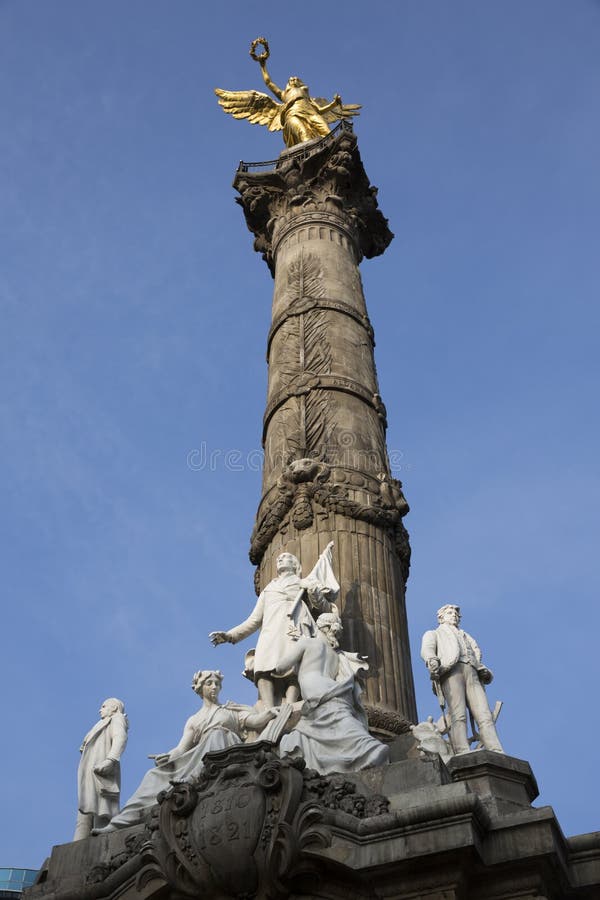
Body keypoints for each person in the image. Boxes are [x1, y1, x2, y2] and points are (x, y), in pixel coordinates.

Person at [93, 671, 275, 833]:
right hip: (201, 756)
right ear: (200, 688)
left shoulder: (231, 711)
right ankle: (119, 823)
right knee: (153, 776)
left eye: (217, 684)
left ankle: (193, 778)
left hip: (228, 754)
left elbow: (256, 721)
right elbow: (182, 748)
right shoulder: (194, 720)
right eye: (209, 683)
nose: (214, 687)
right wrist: (168, 756)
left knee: (217, 734)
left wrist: (271, 712)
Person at [210, 543, 339, 707]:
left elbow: (324, 608)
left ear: (295, 565)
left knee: (294, 668)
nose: (280, 559)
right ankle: (268, 708)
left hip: (295, 627)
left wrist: (312, 590)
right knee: (263, 668)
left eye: (286, 558)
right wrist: (230, 636)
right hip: (270, 632)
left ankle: (291, 704)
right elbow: (254, 620)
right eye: (279, 558)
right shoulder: (268, 589)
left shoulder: (304, 584)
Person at [276, 613, 390, 774]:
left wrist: (293, 643)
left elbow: (280, 667)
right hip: (335, 688)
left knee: (340, 724)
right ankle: (350, 755)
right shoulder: (337, 656)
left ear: (320, 626)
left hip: (315, 689)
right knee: (338, 723)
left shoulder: (308, 642)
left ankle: (371, 749)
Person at [420, 605, 504, 755]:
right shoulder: (434, 634)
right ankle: (462, 750)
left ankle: (495, 749)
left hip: (472, 672)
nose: (454, 616)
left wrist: (482, 669)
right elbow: (427, 649)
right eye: (450, 613)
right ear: (441, 618)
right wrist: (432, 660)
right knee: (458, 714)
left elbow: (475, 654)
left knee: (484, 714)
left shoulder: (466, 637)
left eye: (456, 614)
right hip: (451, 671)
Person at [74, 698, 128, 840]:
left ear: (114, 708)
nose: (100, 710)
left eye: (104, 706)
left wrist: (110, 760)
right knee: (86, 807)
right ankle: (78, 843)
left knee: (102, 808)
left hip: (102, 769)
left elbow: (120, 737)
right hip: (91, 770)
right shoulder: (101, 723)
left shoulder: (116, 719)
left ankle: (100, 843)